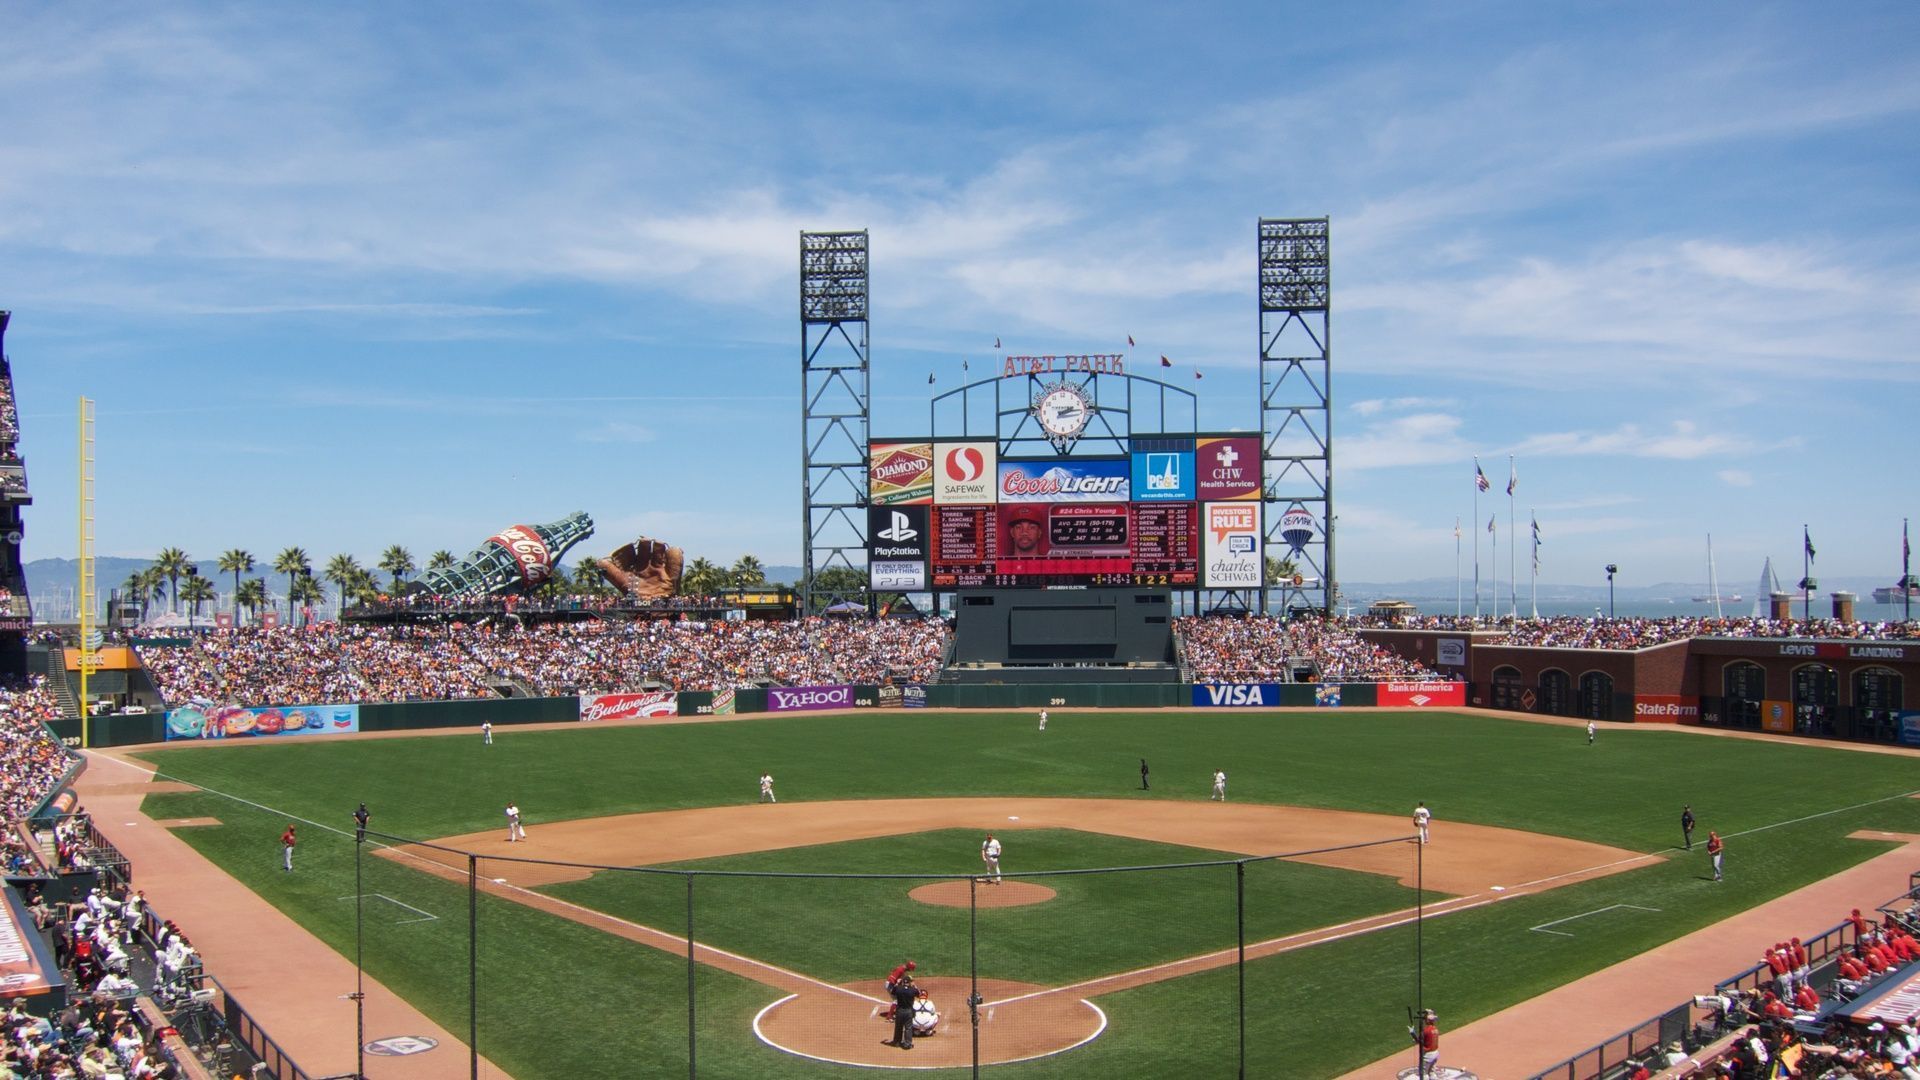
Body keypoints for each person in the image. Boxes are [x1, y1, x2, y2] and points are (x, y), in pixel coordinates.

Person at [887, 974, 919, 1049]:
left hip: (899, 1011)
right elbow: (919, 994)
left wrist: (897, 983)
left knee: (898, 1027)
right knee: (908, 1028)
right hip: (908, 1011)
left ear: (902, 982)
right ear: (909, 982)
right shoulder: (912, 990)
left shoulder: (898, 989)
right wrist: (914, 986)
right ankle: (907, 1044)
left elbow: (892, 992)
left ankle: (897, 1042)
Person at [1410, 1008, 1439, 1078]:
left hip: (1427, 1055)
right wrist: (1429, 1012)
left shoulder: (1425, 1031)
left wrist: (1412, 1033)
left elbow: (1418, 1041)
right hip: (1435, 1053)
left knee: (1424, 1074)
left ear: (1428, 1021)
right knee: (1432, 1072)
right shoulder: (1435, 1029)